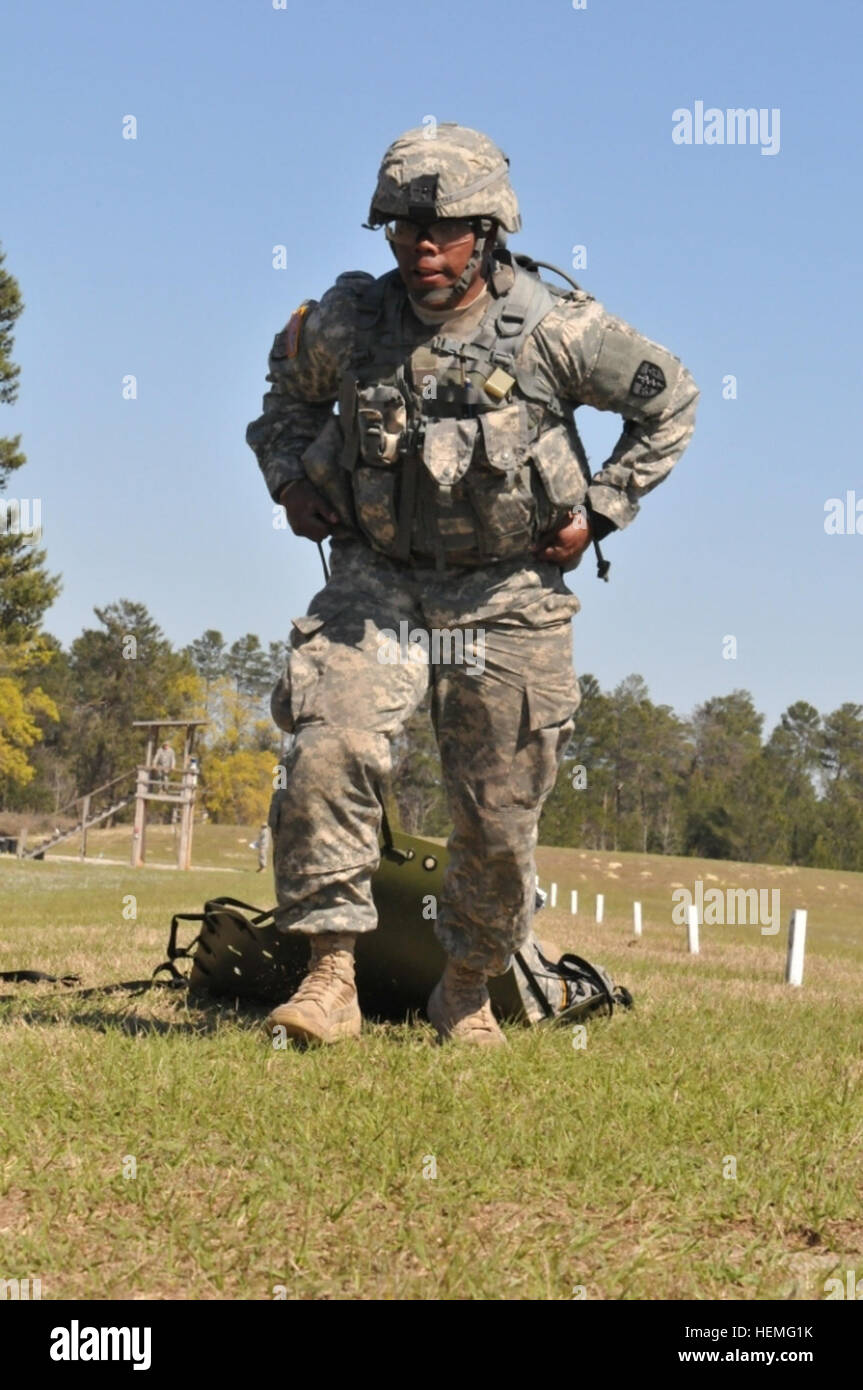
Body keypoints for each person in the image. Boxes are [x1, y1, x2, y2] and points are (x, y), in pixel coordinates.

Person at [246, 124, 698, 1047]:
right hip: (375, 579)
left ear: (489, 230)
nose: (423, 247)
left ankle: (463, 987)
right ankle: (330, 980)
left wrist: (603, 509)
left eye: (446, 229)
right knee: (326, 749)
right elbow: (283, 402)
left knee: (496, 812)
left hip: (509, 596)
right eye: (404, 229)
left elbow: (671, 399)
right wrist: (291, 480)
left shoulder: (556, 331)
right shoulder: (348, 324)